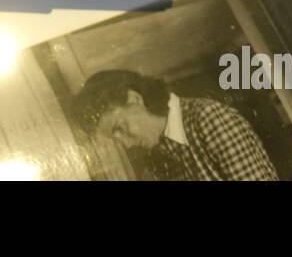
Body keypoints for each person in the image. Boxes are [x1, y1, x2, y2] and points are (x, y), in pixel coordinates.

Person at [70, 69, 278, 180]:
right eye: (115, 138)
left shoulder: (207, 119)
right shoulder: (160, 151)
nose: (125, 144)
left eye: (120, 128)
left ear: (134, 99)